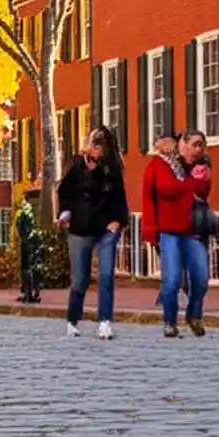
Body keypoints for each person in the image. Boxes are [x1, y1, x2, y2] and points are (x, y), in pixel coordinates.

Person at [57, 126, 129, 340]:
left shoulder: (112, 169)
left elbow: (119, 197)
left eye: (100, 146)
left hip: (106, 227)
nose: (96, 150)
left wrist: (119, 220)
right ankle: (72, 319)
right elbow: (64, 192)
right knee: (80, 279)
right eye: (93, 145)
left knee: (106, 275)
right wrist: (65, 213)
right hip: (80, 227)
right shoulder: (78, 165)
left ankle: (105, 321)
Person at [143, 131, 212, 338]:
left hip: (193, 230)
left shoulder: (193, 163)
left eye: (168, 142)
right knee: (172, 280)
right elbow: (148, 198)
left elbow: (203, 189)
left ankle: (194, 315)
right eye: (160, 143)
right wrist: (150, 229)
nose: (164, 146)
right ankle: (170, 321)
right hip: (168, 231)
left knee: (200, 279)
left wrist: (188, 185)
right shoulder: (154, 166)